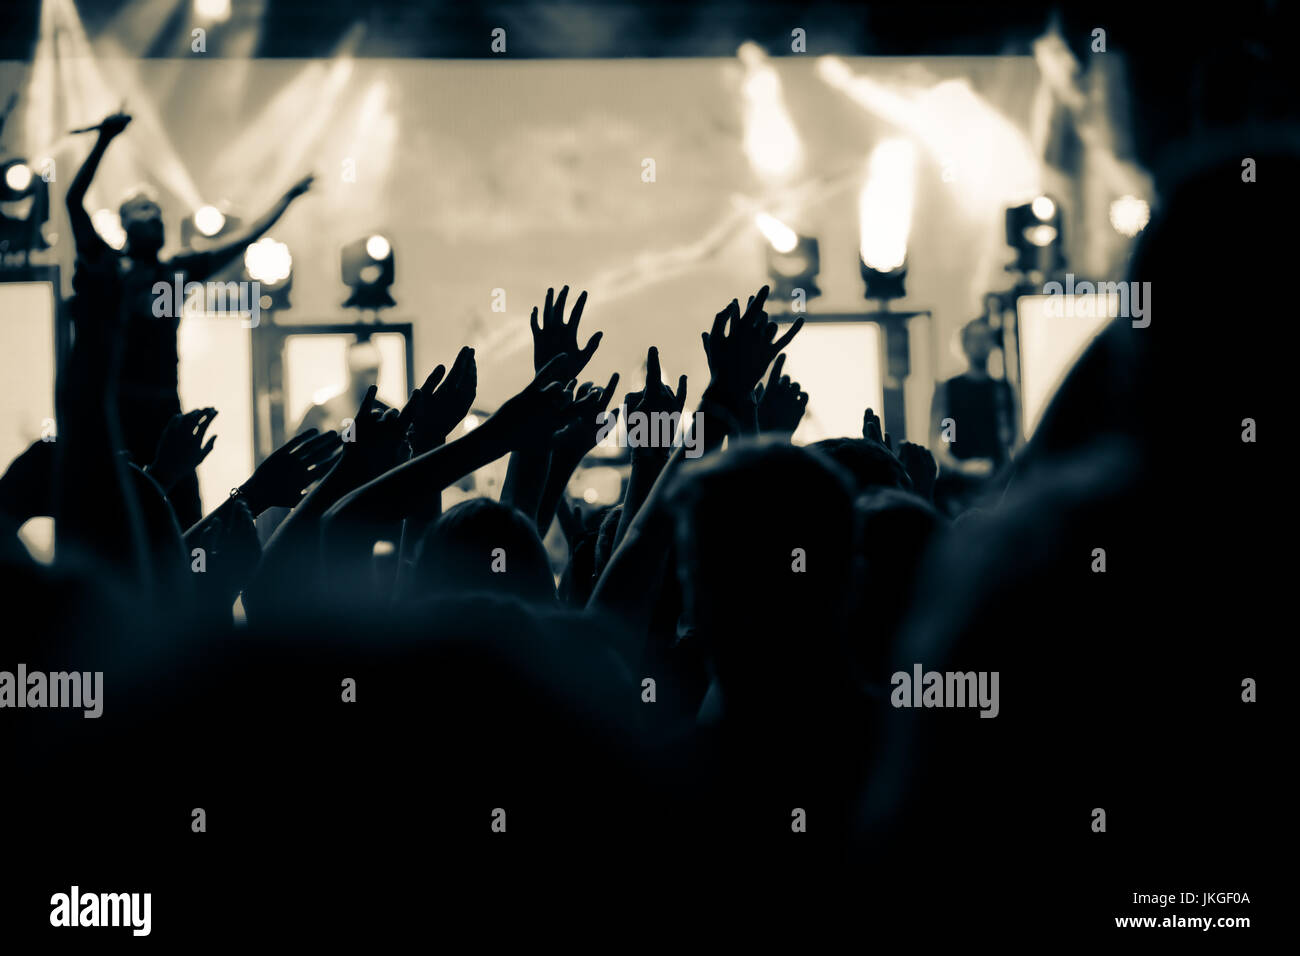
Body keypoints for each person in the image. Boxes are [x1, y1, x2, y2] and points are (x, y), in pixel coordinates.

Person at [65, 110, 313, 528]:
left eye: (158, 210)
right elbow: (73, 201)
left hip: (165, 409)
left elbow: (245, 237)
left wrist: (286, 200)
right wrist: (104, 140)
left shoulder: (177, 271)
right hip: (116, 410)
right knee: (119, 514)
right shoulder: (106, 267)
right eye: (144, 210)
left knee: (180, 512)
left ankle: (184, 579)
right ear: (124, 224)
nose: (155, 216)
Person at [928, 317, 1019, 511]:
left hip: (997, 486)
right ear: (964, 343)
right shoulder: (949, 388)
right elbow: (938, 440)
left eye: (985, 338)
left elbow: (1016, 439)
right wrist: (961, 467)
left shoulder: (1003, 389)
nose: (980, 345)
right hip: (958, 491)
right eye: (975, 339)